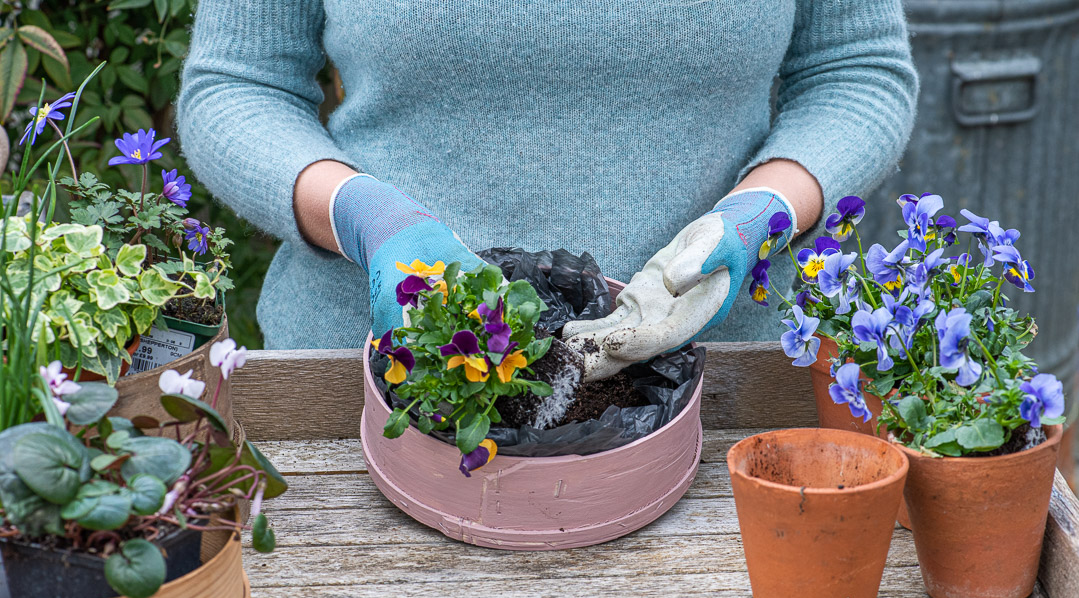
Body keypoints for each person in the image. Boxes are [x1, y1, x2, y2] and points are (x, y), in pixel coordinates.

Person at [177, 1, 917, 379]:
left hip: (728, 385)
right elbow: (239, 85)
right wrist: (363, 217)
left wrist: (768, 207)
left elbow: (854, 71)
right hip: (366, 382)